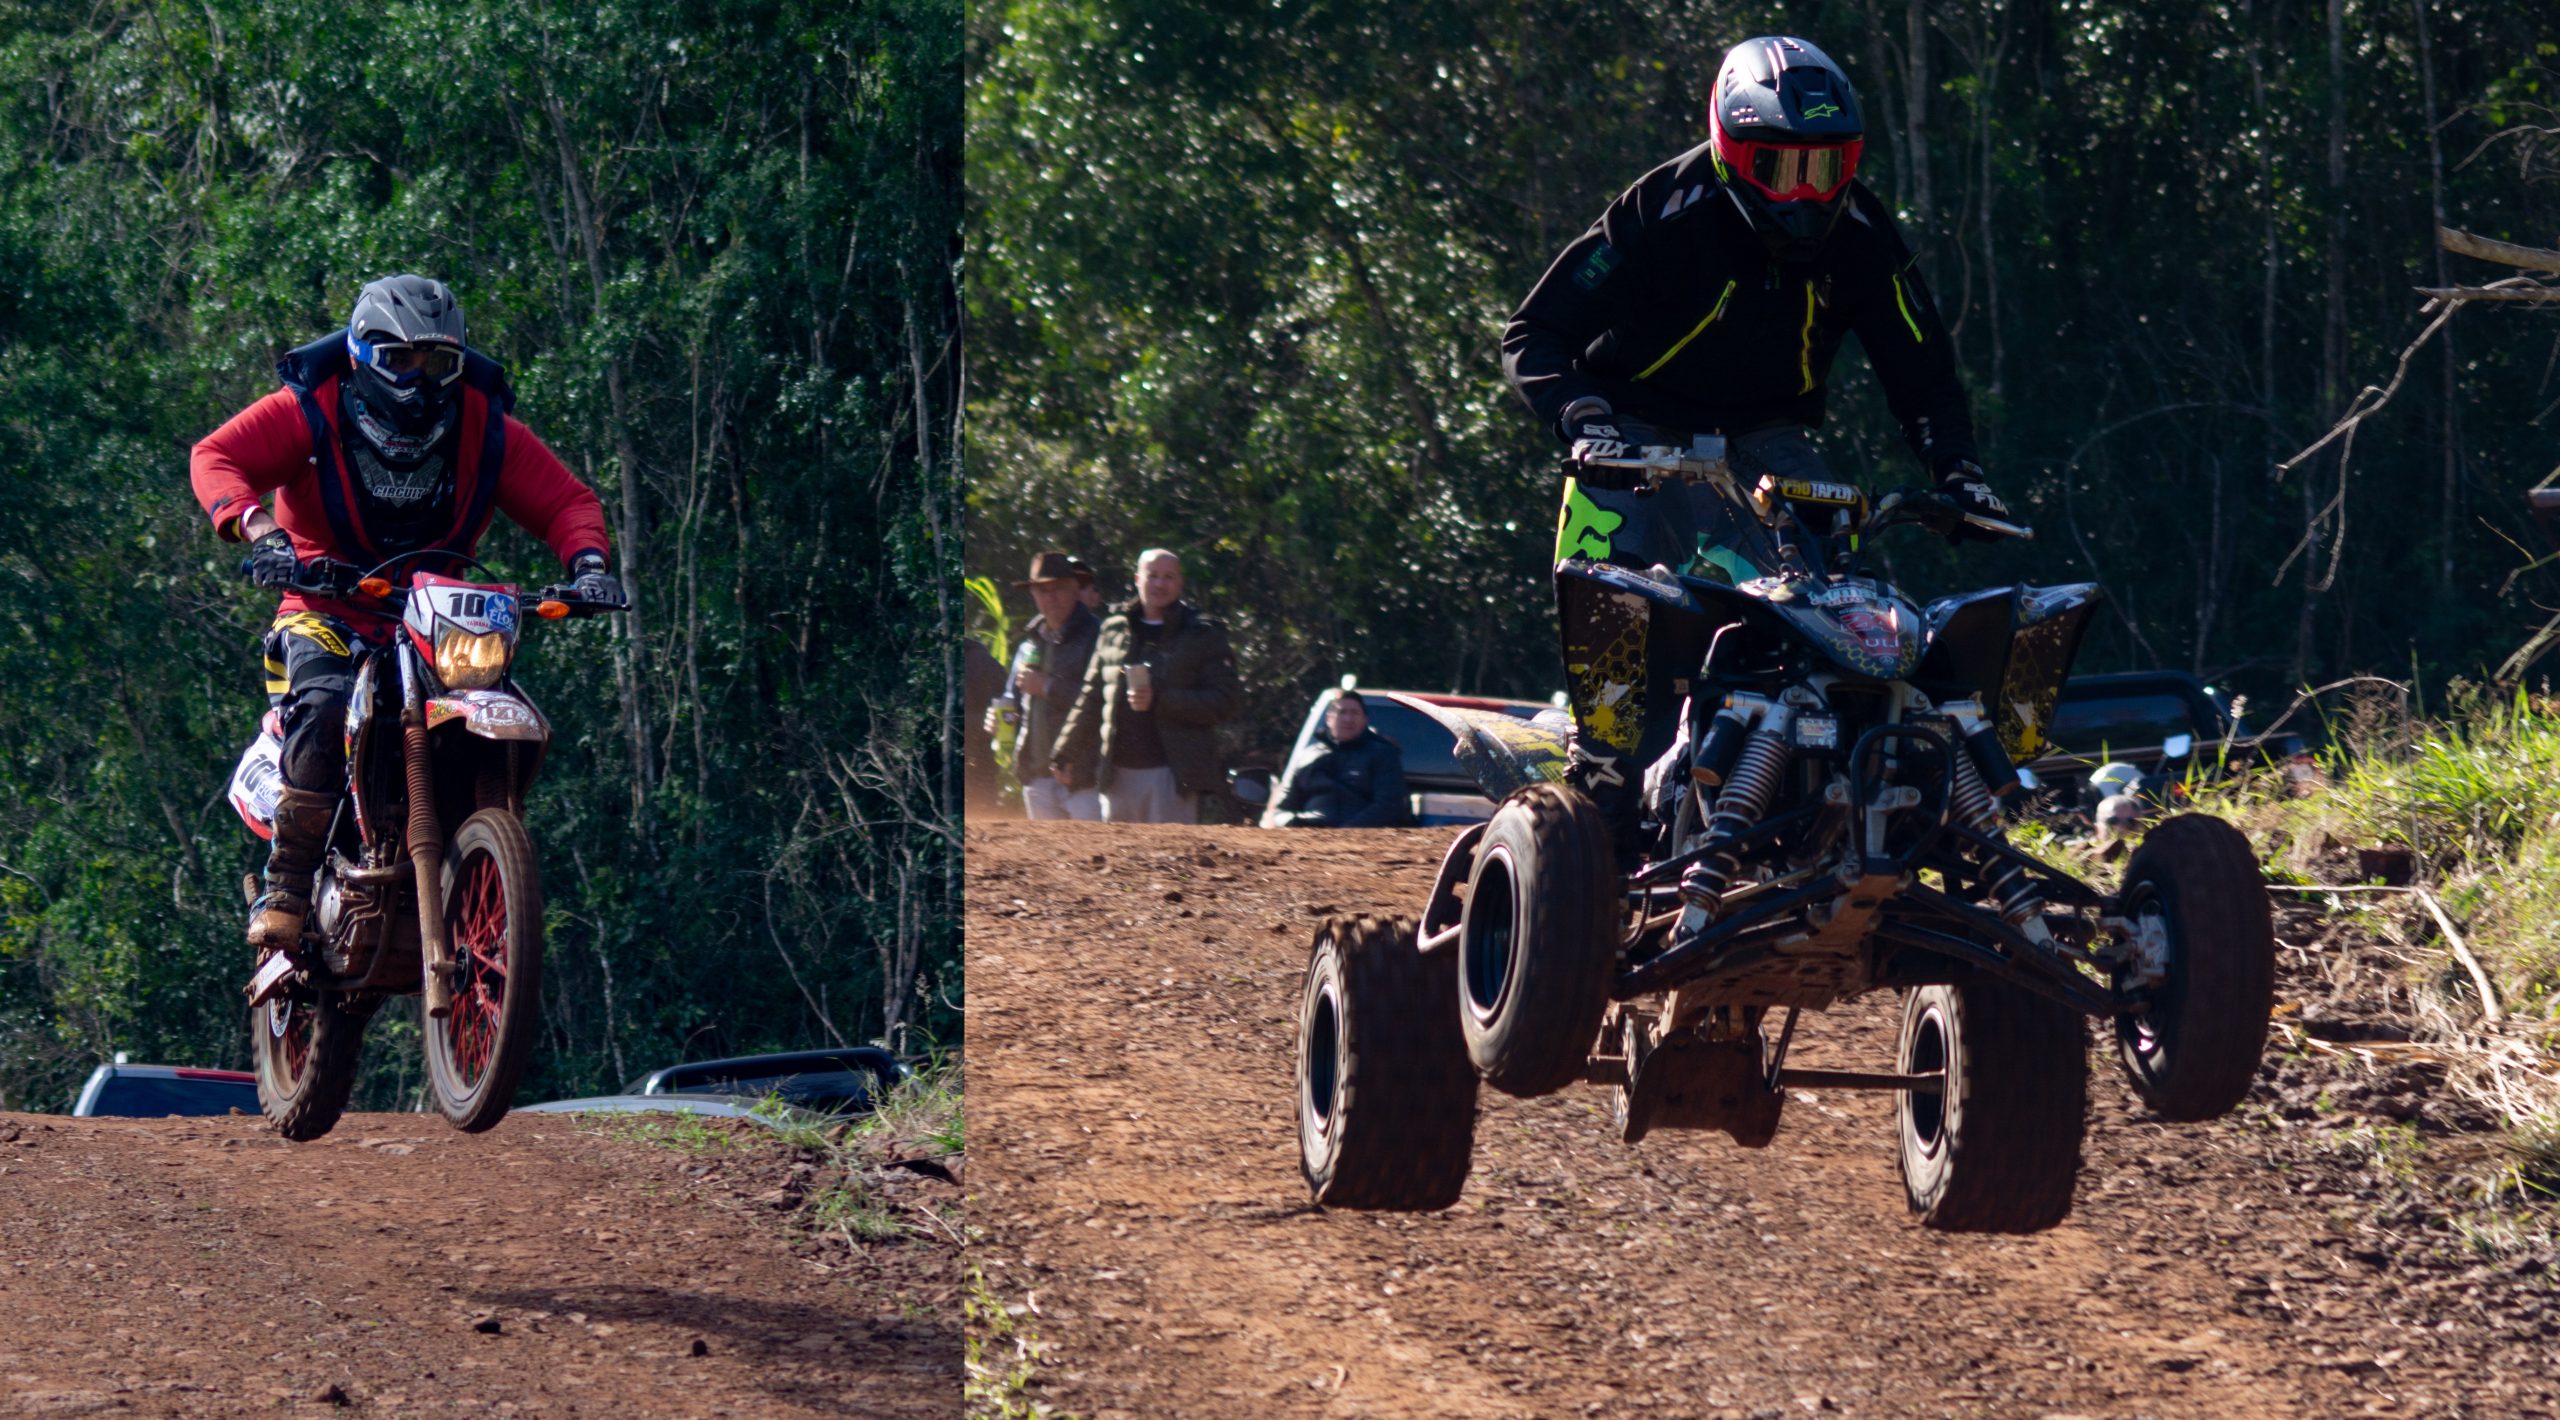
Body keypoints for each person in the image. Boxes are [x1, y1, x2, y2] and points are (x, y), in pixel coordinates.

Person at [1501, 33, 2011, 836]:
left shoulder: (1864, 232)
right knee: (1612, 668)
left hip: (1767, 441)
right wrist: (1583, 417)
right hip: (1628, 440)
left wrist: (1960, 470)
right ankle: (1596, 807)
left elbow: (1923, 370)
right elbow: (1534, 330)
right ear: (1731, 151)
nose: (1806, 194)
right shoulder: (1664, 206)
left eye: (1828, 168)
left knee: (1846, 624)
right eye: (1781, 167)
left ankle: (1850, 798)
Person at [192, 274, 619, 961]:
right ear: (360, 355)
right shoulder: (313, 408)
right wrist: (262, 534)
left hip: (435, 618)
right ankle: (289, 885)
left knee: (506, 711)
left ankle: (482, 866)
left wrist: (589, 567)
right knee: (328, 709)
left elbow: (566, 501)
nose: (419, 382)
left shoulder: (484, 424)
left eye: (439, 364)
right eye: (400, 361)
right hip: (325, 608)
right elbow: (218, 457)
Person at [1051, 547, 1243, 824]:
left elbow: (1227, 701)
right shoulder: (1113, 629)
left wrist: (1162, 699)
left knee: (1172, 863)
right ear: (1137, 579)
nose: (1160, 584)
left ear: (1180, 584)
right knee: (1118, 863)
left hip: (1173, 777)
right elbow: (1092, 695)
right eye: (1153, 576)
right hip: (1116, 775)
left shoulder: (1202, 634)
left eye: (1168, 577)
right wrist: (1066, 748)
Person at [994, 550, 1104, 820]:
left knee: (1095, 860)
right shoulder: (1029, 644)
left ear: (1074, 589)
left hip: (1085, 778)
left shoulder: (1098, 638)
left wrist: (1048, 687)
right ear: (1032, 594)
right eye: (1042, 590)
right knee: (1045, 862)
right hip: (1037, 778)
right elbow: (1013, 699)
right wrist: (1001, 719)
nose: (1050, 597)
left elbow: (1105, 701)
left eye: (1059, 589)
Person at [1264, 690, 1407, 829]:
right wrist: (1292, 823)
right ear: (1328, 718)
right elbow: (1280, 810)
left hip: (1361, 839)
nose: (1348, 719)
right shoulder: (1306, 757)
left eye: (1355, 713)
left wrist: (1346, 832)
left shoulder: (1383, 754)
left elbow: (1389, 805)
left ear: (1365, 720)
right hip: (1309, 836)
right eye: (1342, 712)